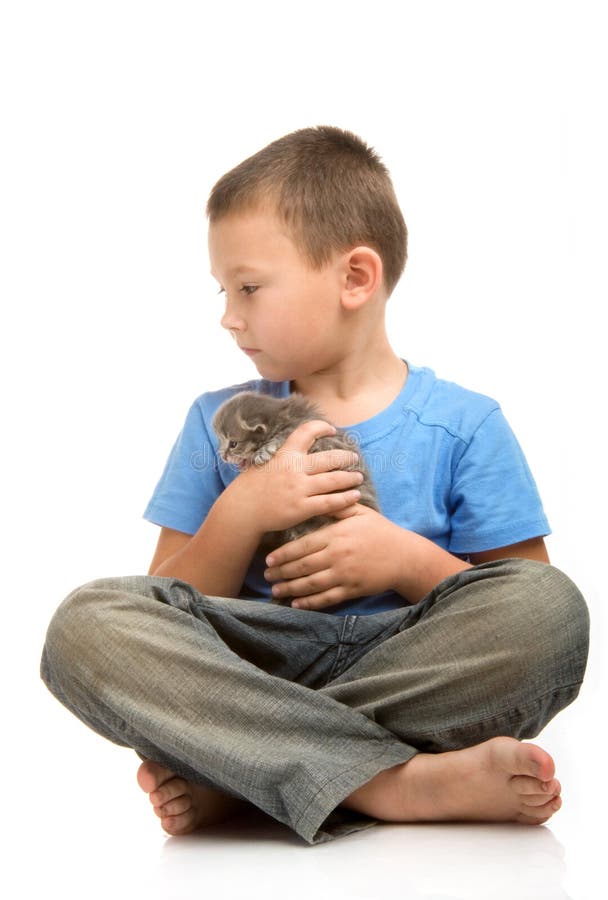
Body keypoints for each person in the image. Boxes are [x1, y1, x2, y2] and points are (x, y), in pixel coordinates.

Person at [40, 126, 589, 845]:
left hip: (403, 655)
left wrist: (403, 560)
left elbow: (518, 601)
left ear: (355, 278)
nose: (228, 315)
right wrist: (243, 509)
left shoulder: (465, 425)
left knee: (553, 612)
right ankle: (393, 785)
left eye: (249, 287)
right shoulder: (217, 423)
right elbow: (165, 600)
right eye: (223, 290)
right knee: (86, 626)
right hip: (252, 658)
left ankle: (242, 769)